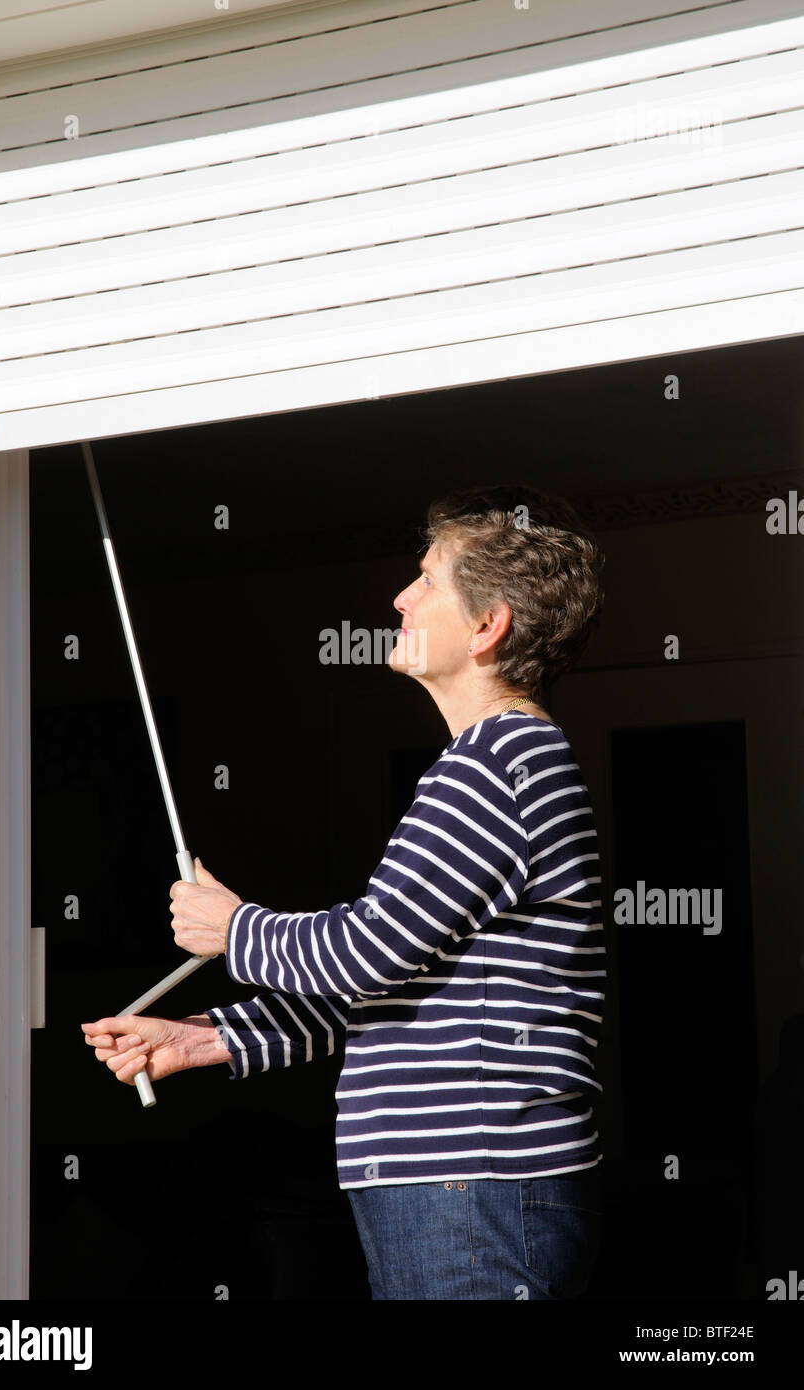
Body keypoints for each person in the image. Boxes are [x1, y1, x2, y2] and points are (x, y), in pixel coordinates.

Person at [83, 481, 607, 1301]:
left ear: (485, 626)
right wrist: (203, 1039)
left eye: (426, 579)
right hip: (458, 1187)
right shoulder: (502, 760)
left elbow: (367, 951)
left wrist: (234, 929)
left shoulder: (492, 766)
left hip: (467, 1186)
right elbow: (390, 976)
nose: (400, 597)